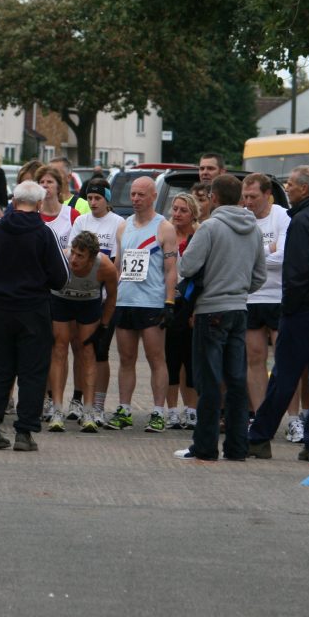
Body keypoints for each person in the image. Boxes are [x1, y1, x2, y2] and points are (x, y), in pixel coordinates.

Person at [247, 166, 309, 461]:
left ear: (304, 189)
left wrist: (289, 309)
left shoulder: (301, 222)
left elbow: (297, 272)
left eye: (290, 184)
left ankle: (259, 436)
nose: (286, 188)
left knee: (284, 376)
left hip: (301, 310)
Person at [0, 180, 70, 452]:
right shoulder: (44, 232)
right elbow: (61, 278)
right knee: (32, 372)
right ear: (39, 204)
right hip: (33, 311)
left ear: (14, 202)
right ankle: (24, 433)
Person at [174, 174, 266, 461]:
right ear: (240, 197)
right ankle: (237, 447)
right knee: (237, 379)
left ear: (213, 197)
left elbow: (188, 266)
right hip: (239, 309)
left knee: (209, 380)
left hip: (210, 309)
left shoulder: (210, 228)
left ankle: (205, 446)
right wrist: (239, 290)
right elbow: (260, 276)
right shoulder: (254, 229)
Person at [109, 176, 177, 433]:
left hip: (151, 302)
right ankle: (124, 409)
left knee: (156, 358)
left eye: (140, 195)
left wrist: (169, 302)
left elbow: (171, 269)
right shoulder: (124, 227)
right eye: (133, 194)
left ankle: (158, 411)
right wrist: (113, 297)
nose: (135, 199)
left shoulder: (164, 228)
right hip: (126, 301)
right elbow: (117, 265)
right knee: (126, 358)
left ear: (152, 197)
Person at [68, 179, 123, 421]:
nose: (92, 203)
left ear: (107, 199)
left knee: (100, 351)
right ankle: (78, 399)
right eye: (89, 198)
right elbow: (73, 255)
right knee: (79, 349)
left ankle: (98, 405)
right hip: (81, 295)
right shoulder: (81, 221)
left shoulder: (118, 223)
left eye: (97, 198)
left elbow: (119, 261)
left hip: (104, 296)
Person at [54, 231, 118, 433]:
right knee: (59, 349)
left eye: (80, 256)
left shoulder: (105, 266)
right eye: (73, 253)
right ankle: (56, 410)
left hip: (88, 303)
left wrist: (105, 325)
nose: (74, 259)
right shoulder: (61, 260)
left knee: (88, 351)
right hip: (60, 300)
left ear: (91, 257)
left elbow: (112, 297)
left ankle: (88, 411)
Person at [241, 173, 289, 415]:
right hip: (252, 297)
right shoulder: (243, 219)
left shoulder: (281, 216)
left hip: (278, 297)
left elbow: (283, 256)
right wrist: (267, 249)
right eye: (245, 196)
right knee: (255, 358)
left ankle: (292, 418)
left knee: (285, 359)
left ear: (268, 195)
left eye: (253, 196)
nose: (248, 202)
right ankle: (260, 416)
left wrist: (256, 255)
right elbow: (239, 258)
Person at [36, 164, 76, 424]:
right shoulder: (32, 216)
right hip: (37, 291)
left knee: (60, 347)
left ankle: (58, 398)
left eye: (50, 182)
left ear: (60, 187)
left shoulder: (71, 216)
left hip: (64, 290)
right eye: (41, 182)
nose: (46, 186)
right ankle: (42, 399)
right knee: (39, 348)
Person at [164, 193, 200, 430]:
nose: (177, 214)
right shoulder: (166, 234)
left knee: (191, 359)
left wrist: (195, 308)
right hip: (168, 301)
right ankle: (172, 410)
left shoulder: (199, 236)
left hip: (191, 301)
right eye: (175, 209)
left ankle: (192, 409)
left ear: (193, 214)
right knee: (170, 359)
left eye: (183, 210)